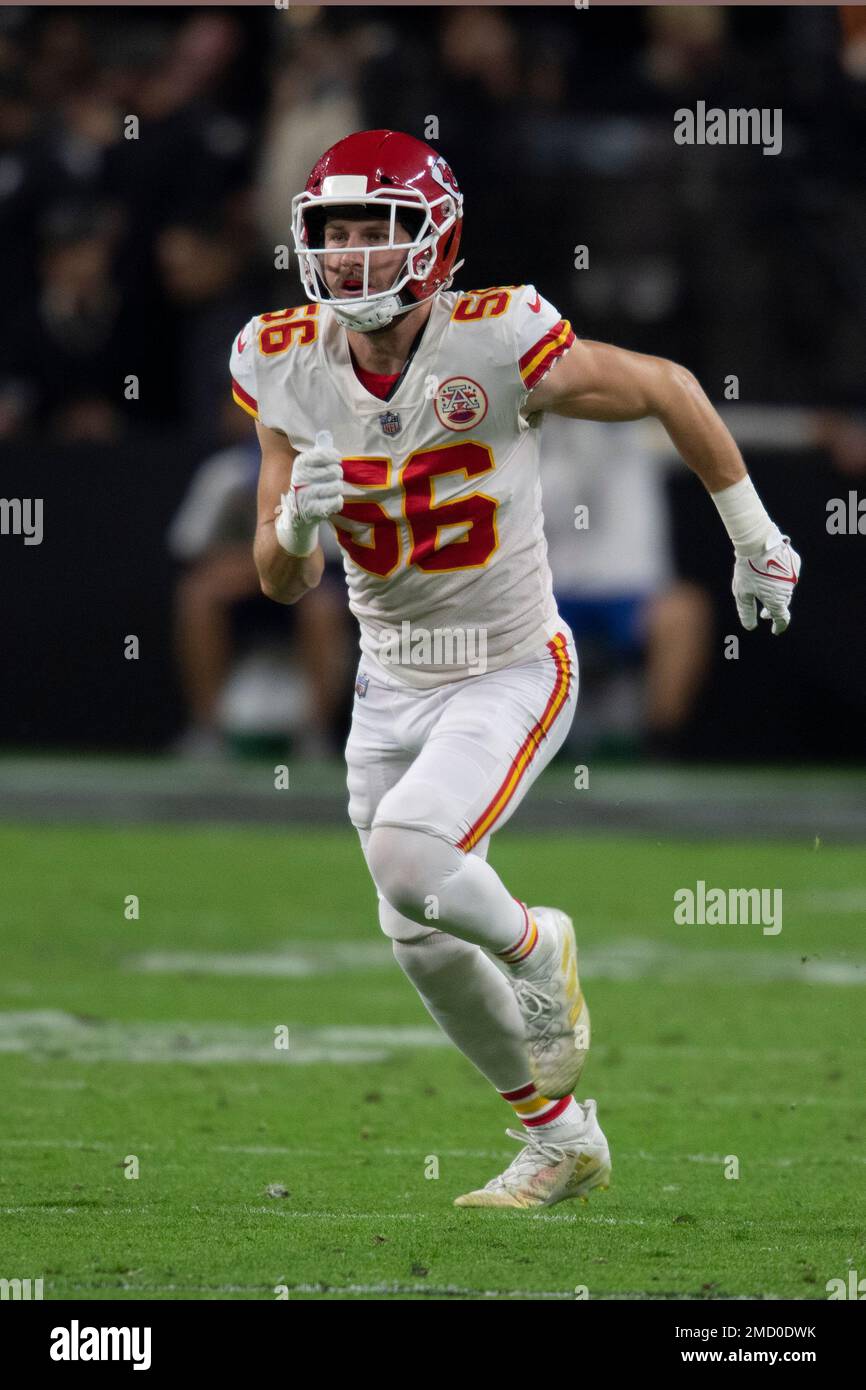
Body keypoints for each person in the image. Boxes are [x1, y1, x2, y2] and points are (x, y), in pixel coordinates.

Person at [229, 129, 801, 1209]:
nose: (349, 254)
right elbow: (279, 582)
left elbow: (669, 386)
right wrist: (295, 527)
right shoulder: (279, 356)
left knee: (410, 854)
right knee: (415, 935)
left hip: (506, 664)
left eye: (375, 230)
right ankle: (559, 1138)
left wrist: (754, 536)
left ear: (433, 240)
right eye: (334, 232)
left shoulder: (495, 337)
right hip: (388, 680)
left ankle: (541, 949)